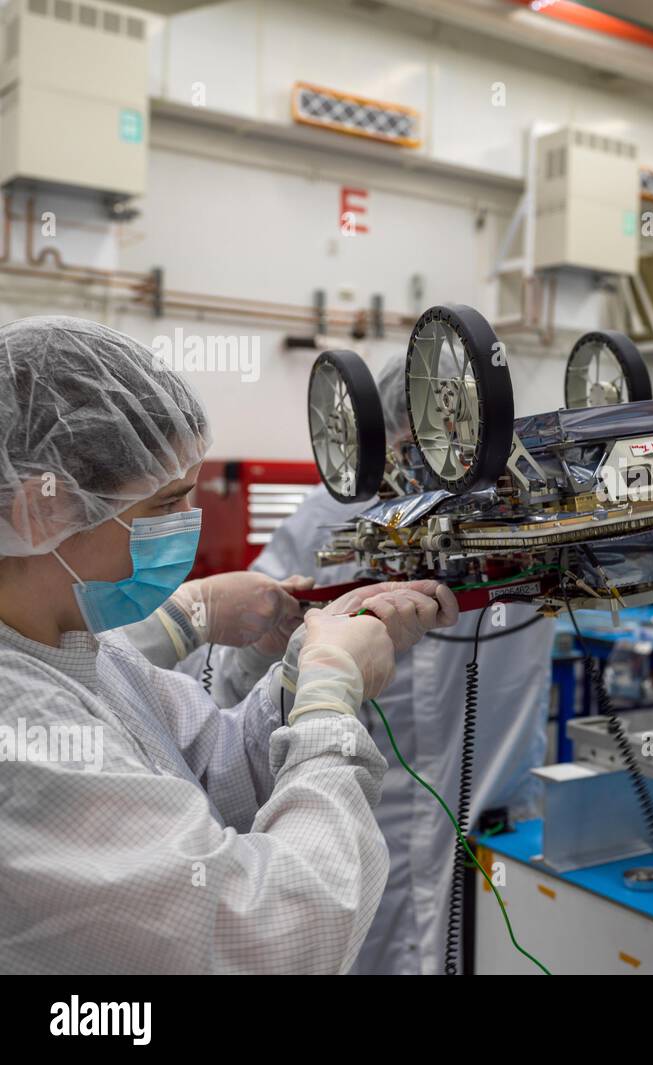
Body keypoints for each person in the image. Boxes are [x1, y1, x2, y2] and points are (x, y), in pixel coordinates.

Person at [0, 317, 456, 974]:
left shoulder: (75, 644)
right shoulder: (27, 737)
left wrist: (298, 679)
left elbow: (210, 766)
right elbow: (272, 933)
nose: (188, 526)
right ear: (40, 512)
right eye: (165, 504)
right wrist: (331, 703)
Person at [188, 352, 556, 975]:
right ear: (383, 435)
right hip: (360, 818)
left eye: (464, 427)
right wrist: (293, 656)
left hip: (499, 825)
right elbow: (231, 683)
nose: (440, 453)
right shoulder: (328, 521)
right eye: (422, 433)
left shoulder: (531, 515)